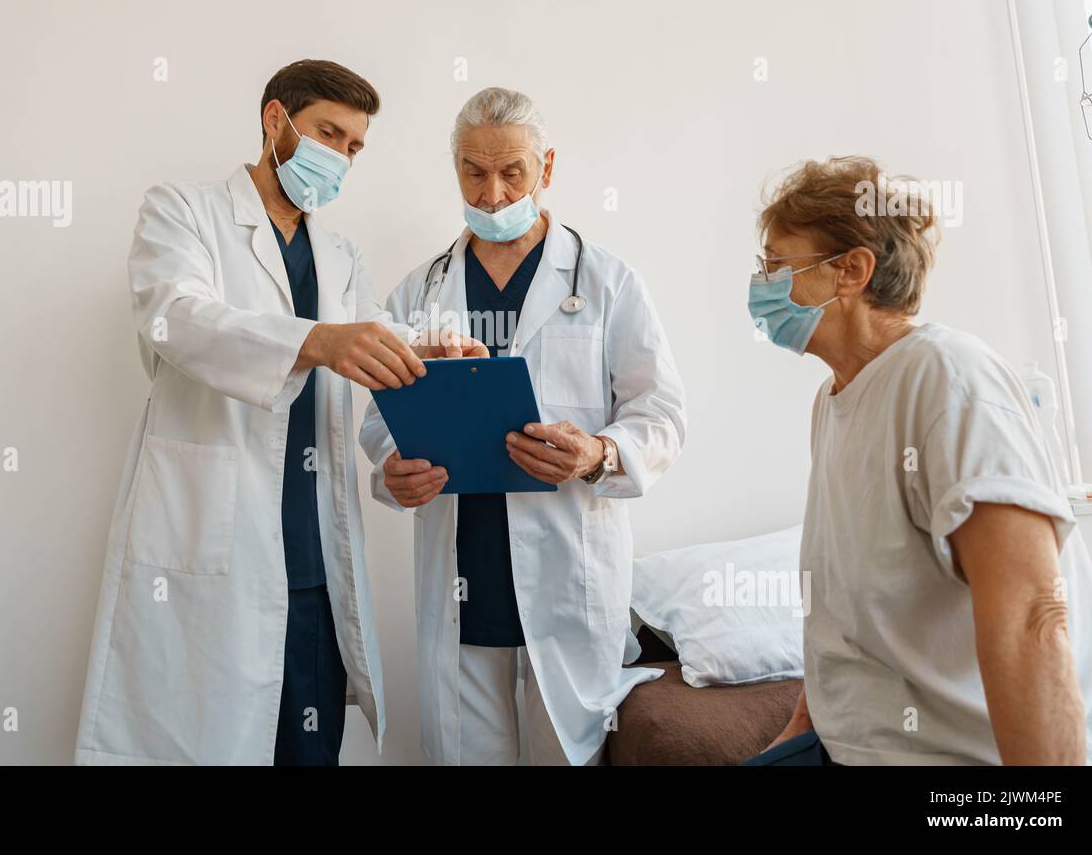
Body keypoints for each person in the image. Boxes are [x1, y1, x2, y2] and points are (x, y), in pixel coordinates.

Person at [74, 59, 482, 766]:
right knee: (204, 740)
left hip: (314, 559)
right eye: (329, 134)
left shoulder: (339, 255)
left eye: (354, 147)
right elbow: (176, 318)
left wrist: (431, 356)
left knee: (307, 749)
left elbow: (375, 339)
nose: (341, 158)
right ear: (275, 121)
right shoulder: (183, 212)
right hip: (210, 541)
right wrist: (316, 340)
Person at [743, 157, 1092, 765]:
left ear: (851, 272)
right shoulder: (835, 399)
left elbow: (1030, 618)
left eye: (778, 264)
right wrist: (802, 727)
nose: (762, 284)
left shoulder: (946, 378)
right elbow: (847, 614)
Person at [359, 87, 687, 765]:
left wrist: (598, 452)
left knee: (564, 754)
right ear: (455, 169)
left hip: (569, 571)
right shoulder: (418, 293)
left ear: (548, 167)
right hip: (462, 572)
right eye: (474, 172)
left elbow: (662, 415)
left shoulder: (606, 282)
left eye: (513, 171)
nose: (494, 191)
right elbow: (378, 423)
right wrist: (394, 475)